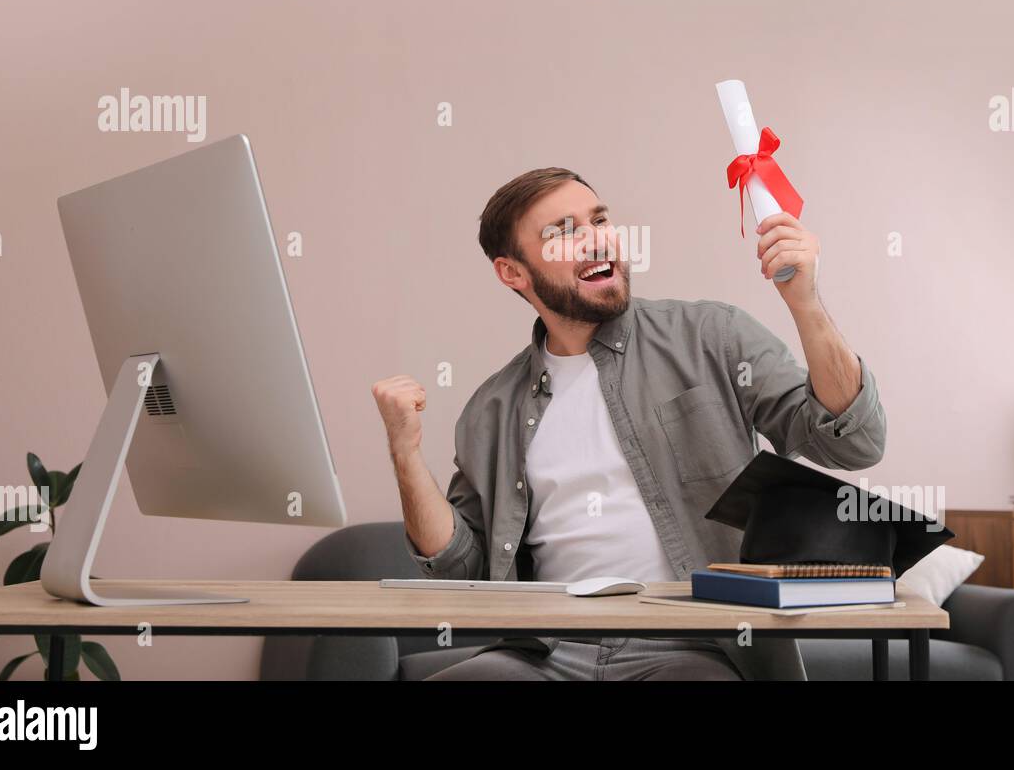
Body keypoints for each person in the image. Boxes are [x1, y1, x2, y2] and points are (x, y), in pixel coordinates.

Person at [372, 167, 885, 680]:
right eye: (564, 232)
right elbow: (459, 570)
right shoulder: (493, 408)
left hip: (694, 647)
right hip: (545, 653)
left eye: (598, 220)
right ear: (513, 272)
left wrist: (806, 303)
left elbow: (854, 443)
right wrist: (405, 453)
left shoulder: (712, 336)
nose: (595, 240)